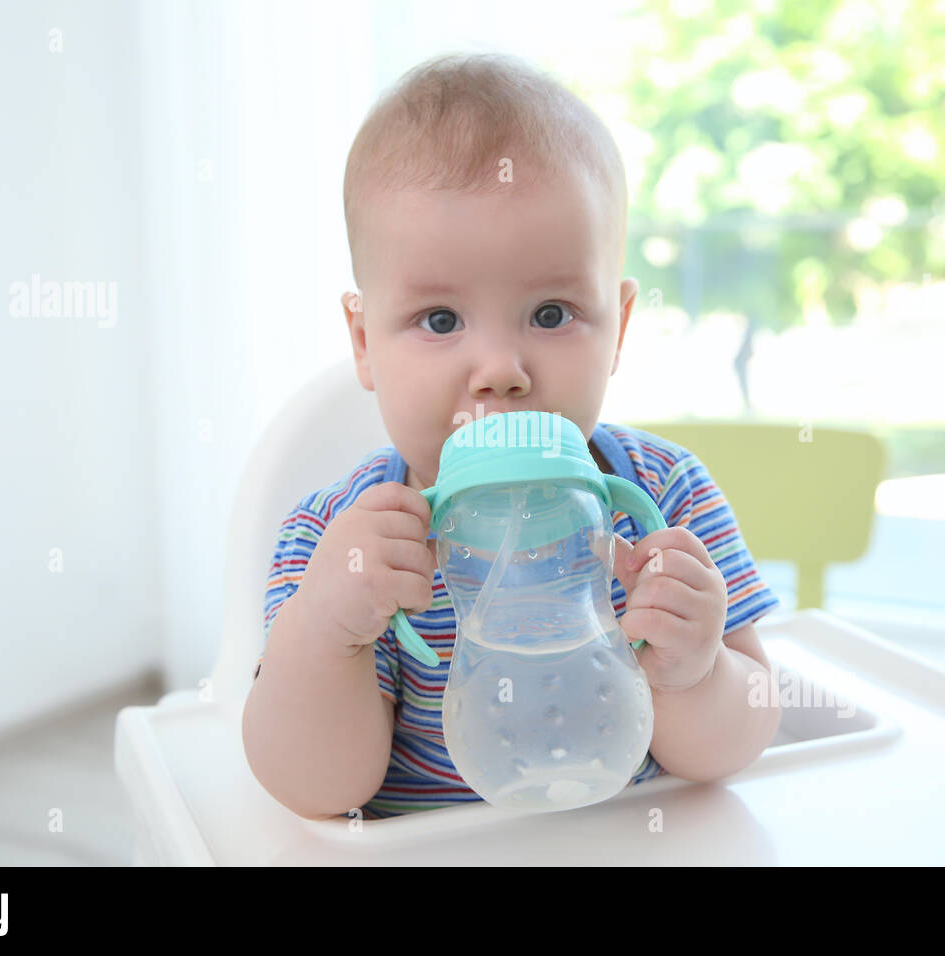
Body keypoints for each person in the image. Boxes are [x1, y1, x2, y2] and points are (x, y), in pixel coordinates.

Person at [242, 52, 782, 821]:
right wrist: (326, 635)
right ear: (364, 342)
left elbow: (737, 744)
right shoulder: (344, 543)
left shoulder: (665, 500)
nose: (500, 370)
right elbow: (315, 790)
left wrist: (694, 672)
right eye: (440, 320)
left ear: (619, 327)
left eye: (552, 314)